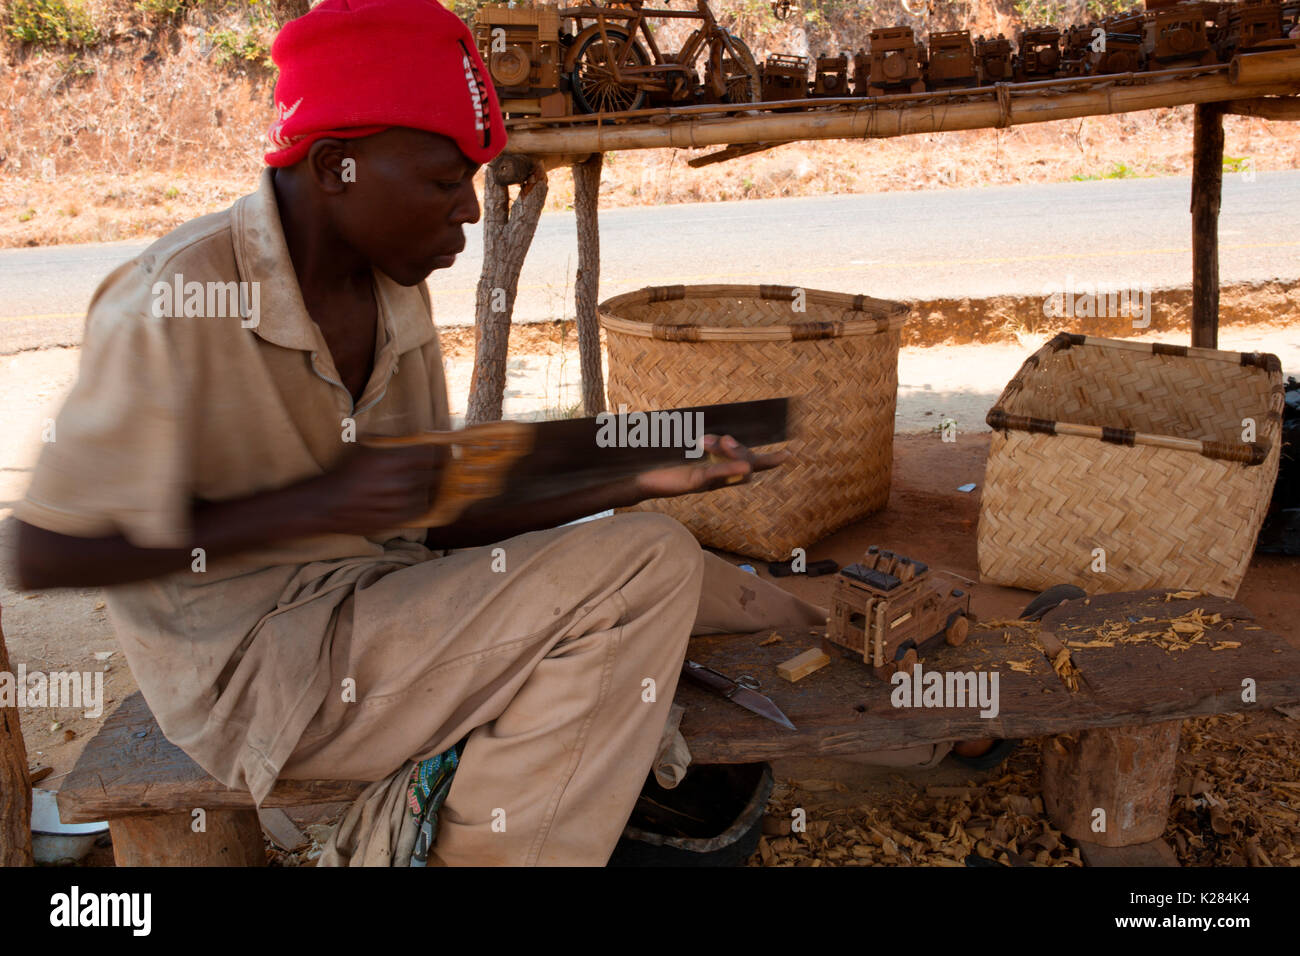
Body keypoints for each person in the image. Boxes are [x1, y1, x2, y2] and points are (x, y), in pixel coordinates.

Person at [12, 0, 827, 865]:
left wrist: (629, 477)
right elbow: (45, 553)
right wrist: (310, 506)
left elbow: (429, 515)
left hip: (374, 604)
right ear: (336, 167)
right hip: (260, 673)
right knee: (648, 568)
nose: (471, 214)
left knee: (666, 562)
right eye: (444, 184)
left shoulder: (390, 286)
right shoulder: (172, 301)